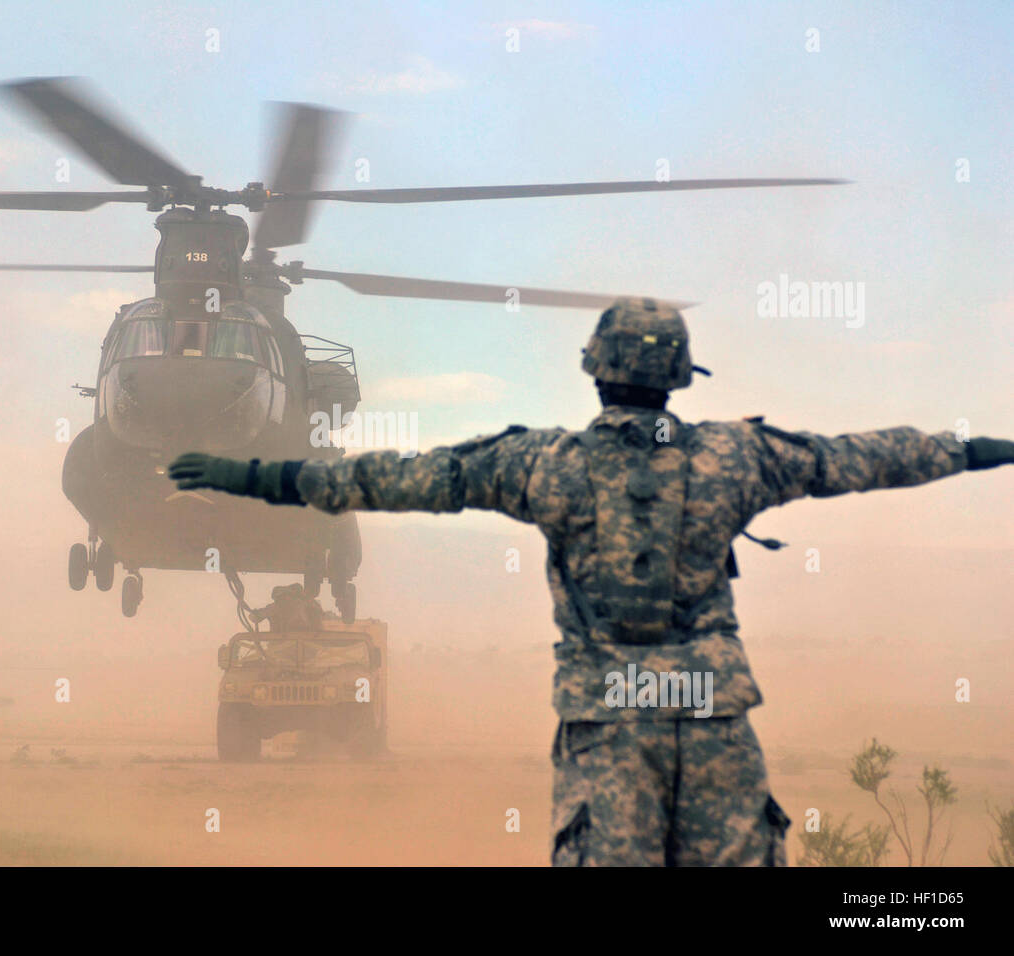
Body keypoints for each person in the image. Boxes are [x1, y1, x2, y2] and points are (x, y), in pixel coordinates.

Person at [169, 296, 1014, 866]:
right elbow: (858, 460)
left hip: (607, 725)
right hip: (713, 719)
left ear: (595, 367)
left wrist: (256, 477)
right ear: (681, 375)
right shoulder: (738, 456)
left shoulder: (542, 466)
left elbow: (395, 479)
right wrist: (975, 451)